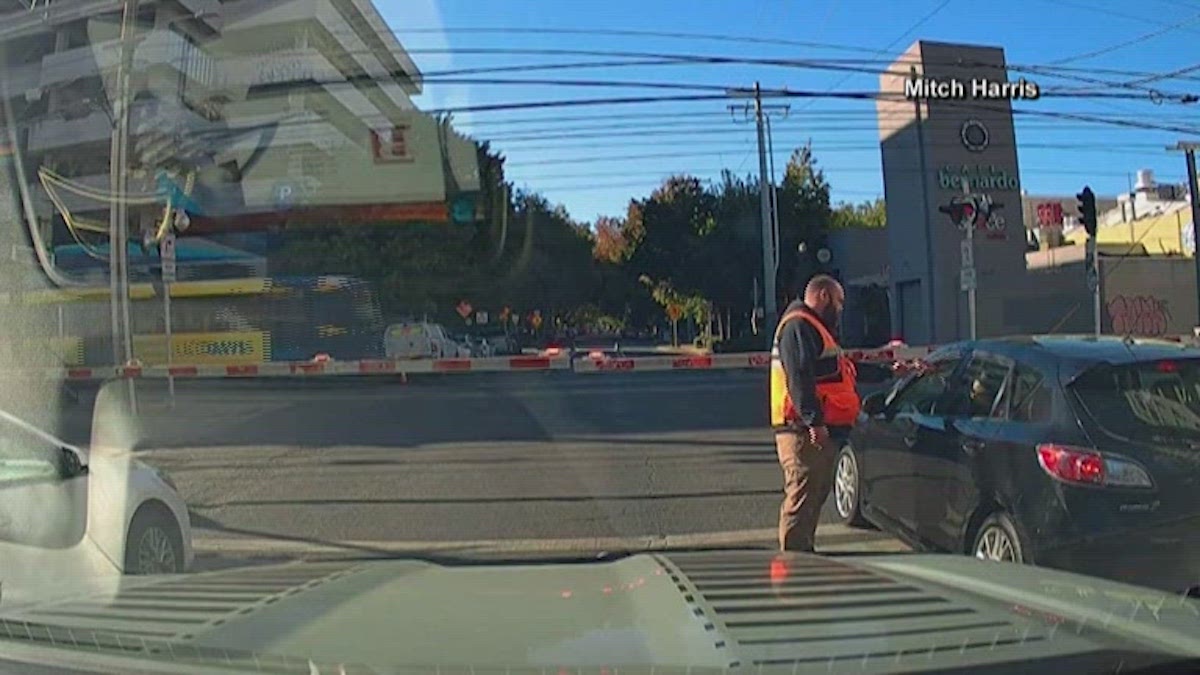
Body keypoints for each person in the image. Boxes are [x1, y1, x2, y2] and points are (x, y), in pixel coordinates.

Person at [769, 274, 861, 552]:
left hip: (811, 428)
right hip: (800, 430)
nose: (841, 308)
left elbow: (835, 372)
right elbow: (799, 378)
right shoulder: (799, 325)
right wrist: (814, 422)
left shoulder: (814, 328)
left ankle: (802, 553)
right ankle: (794, 561)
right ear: (823, 296)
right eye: (839, 301)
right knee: (801, 497)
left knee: (811, 496)